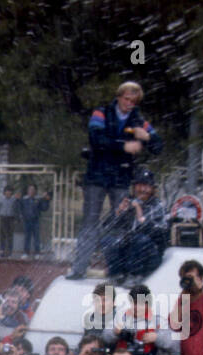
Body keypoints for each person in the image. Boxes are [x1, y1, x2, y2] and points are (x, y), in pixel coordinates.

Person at [69, 81, 163, 279]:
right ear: (119, 97)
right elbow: (96, 139)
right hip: (97, 175)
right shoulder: (101, 113)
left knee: (120, 222)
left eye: (133, 101)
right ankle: (79, 269)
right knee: (90, 222)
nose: (129, 104)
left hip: (120, 178)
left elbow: (158, 147)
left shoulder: (138, 120)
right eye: (126, 99)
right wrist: (123, 146)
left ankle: (117, 269)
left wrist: (147, 137)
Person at [102, 169, 167, 285]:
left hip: (149, 255)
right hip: (129, 253)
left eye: (147, 186)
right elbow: (106, 227)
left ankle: (135, 275)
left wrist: (139, 214)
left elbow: (158, 232)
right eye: (140, 185)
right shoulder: (128, 201)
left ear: (152, 189)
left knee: (139, 239)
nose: (143, 190)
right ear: (134, 187)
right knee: (109, 240)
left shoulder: (157, 205)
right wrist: (118, 213)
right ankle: (116, 275)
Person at [19, 183, 51, 256]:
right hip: (27, 221)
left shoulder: (38, 200)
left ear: (35, 191)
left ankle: (37, 253)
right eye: (30, 189)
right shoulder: (24, 200)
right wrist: (21, 217)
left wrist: (46, 200)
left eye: (33, 190)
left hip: (35, 220)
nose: (31, 191)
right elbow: (20, 208)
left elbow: (44, 208)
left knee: (37, 237)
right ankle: (26, 252)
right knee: (27, 237)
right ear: (27, 191)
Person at [0, 185, 19, 257]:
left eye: (10, 192)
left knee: (9, 236)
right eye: (7, 191)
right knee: (2, 236)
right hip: (3, 218)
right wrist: (0, 214)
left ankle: (9, 252)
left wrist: (15, 218)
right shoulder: (1, 200)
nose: (8, 193)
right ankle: (2, 251)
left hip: (10, 218)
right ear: (4, 192)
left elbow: (15, 209)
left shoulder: (13, 200)